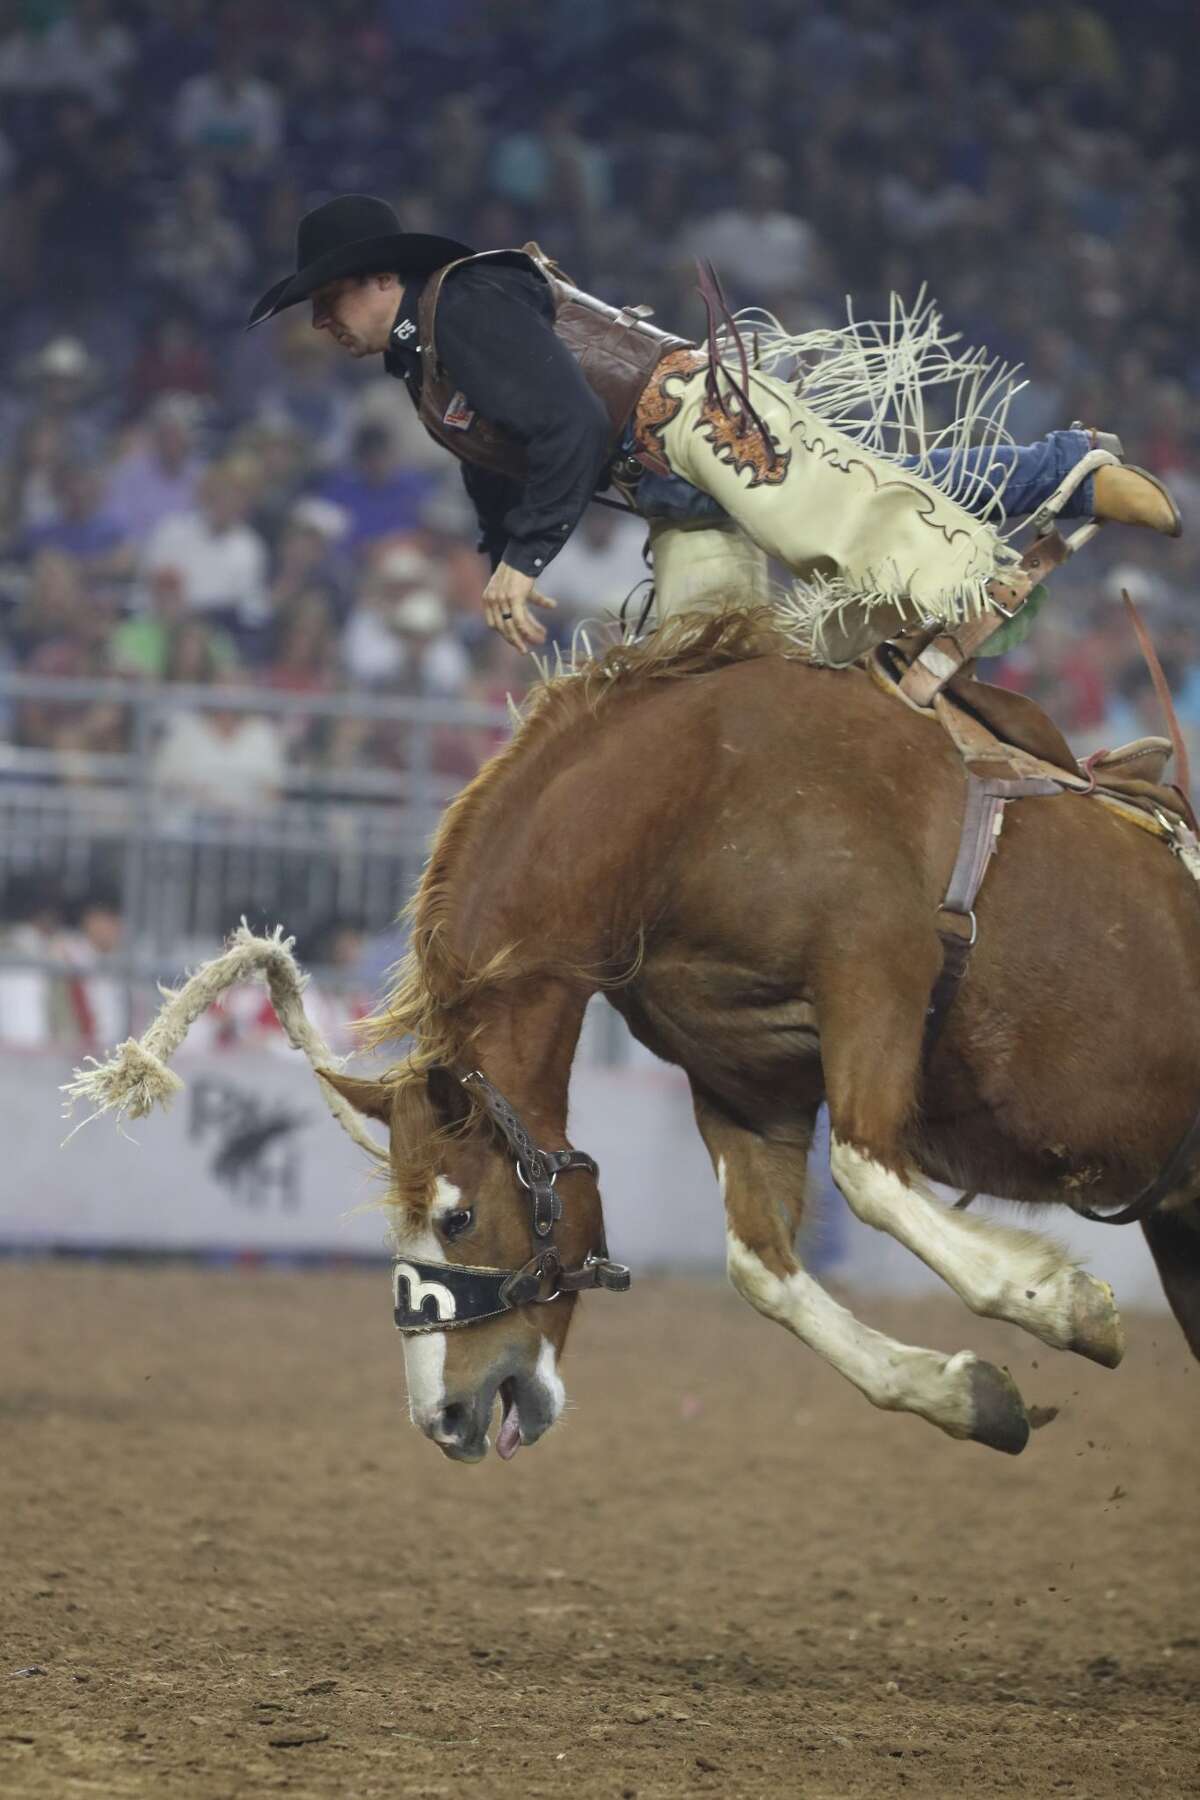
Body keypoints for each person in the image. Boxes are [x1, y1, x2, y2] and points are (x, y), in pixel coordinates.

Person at [248, 194, 1182, 666]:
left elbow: (568, 422)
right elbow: (506, 453)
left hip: (697, 419)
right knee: (710, 658)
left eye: (327, 299)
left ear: (382, 280)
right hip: (662, 482)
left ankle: (1066, 471)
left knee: (855, 511)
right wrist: (503, 552)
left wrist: (523, 560)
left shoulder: (465, 304)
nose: (320, 322)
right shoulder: (425, 356)